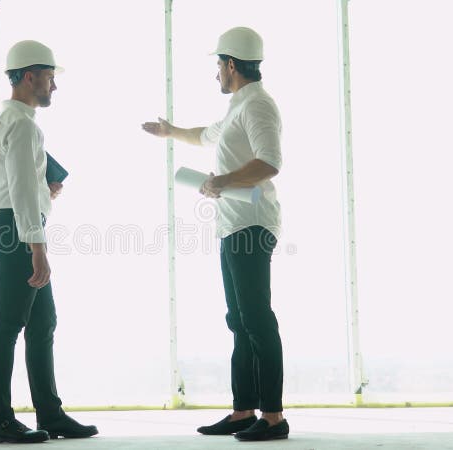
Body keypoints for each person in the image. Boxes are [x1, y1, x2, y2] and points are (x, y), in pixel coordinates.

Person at [142, 27, 289, 442]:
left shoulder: (258, 105)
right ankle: (243, 411)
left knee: (257, 319)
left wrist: (221, 180)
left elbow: (270, 162)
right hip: (232, 225)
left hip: (252, 224)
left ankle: (274, 417)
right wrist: (171, 132)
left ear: (230, 65)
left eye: (218, 66)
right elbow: (204, 136)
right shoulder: (237, 109)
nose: (216, 75)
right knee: (239, 321)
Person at [0, 39, 98, 444]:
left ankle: (51, 413)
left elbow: (7, 188)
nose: (54, 86)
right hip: (17, 231)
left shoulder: (1, 123)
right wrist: (38, 247)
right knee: (7, 325)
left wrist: (47, 194)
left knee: (42, 322)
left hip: (6, 224)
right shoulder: (24, 125)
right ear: (29, 77)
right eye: (49, 78)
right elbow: (20, 193)